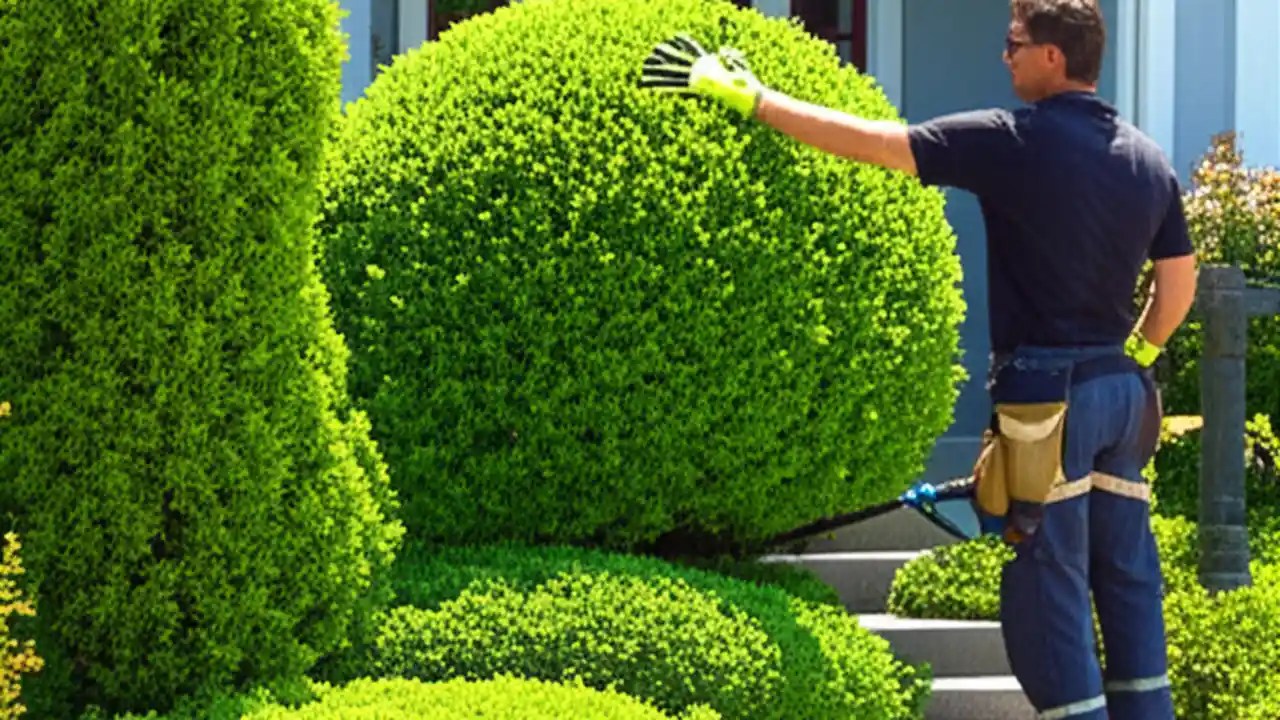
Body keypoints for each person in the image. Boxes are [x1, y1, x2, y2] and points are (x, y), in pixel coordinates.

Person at [640, 1, 1198, 718]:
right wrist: (1136, 353)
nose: (1006, 56)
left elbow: (877, 144)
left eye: (1015, 44)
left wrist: (754, 100)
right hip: (1124, 398)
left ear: (1054, 58)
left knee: (1048, 579)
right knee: (1127, 576)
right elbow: (1177, 287)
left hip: (1047, 400)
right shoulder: (1147, 158)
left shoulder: (1014, 141)